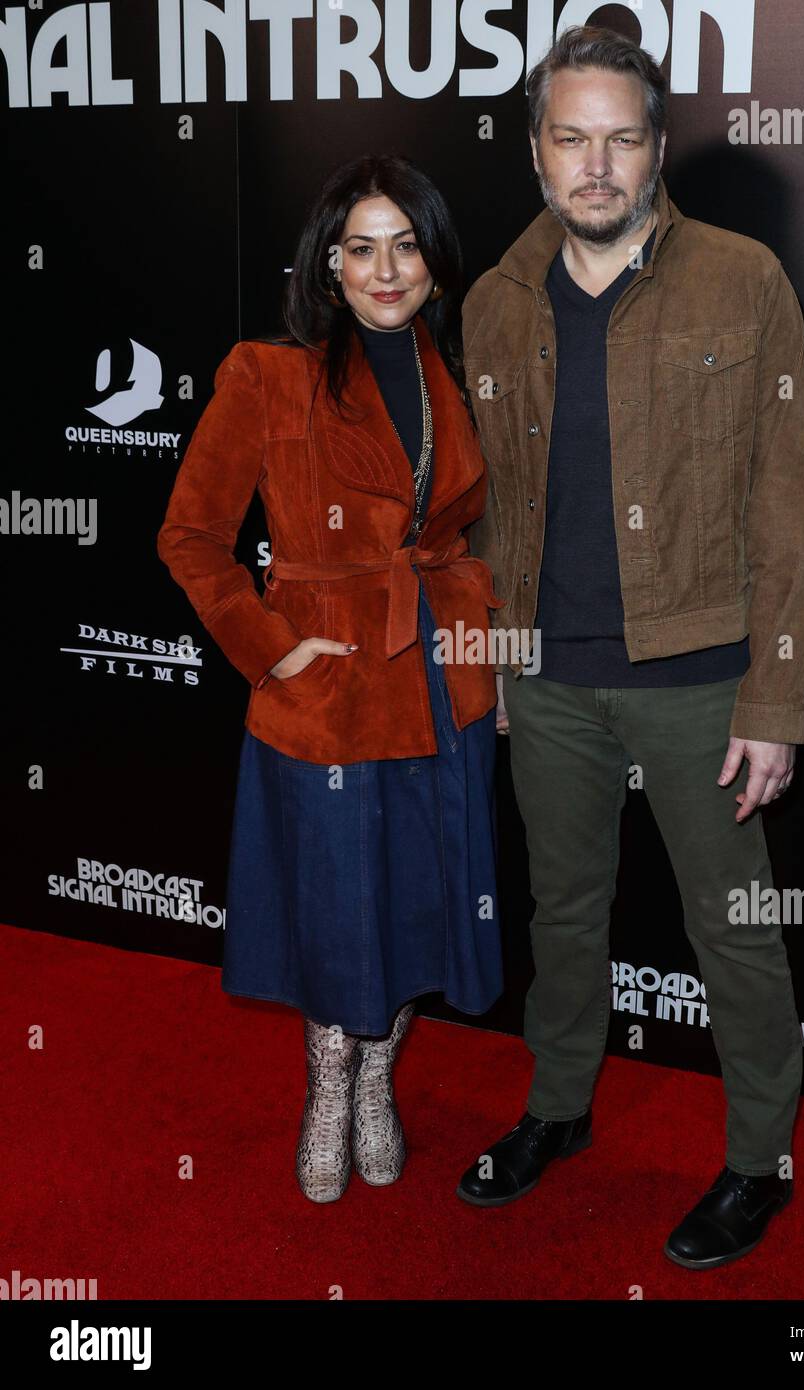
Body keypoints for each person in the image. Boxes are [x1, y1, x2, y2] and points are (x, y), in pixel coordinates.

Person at [457, 25, 804, 1270]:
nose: (597, 165)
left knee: (737, 927)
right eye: (573, 138)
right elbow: (496, 503)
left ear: (657, 148)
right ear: (537, 152)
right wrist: (502, 658)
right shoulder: (496, 301)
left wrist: (774, 696)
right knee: (564, 915)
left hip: (701, 677)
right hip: (549, 679)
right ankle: (557, 1110)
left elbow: (787, 503)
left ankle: (758, 1161)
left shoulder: (742, 279)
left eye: (622, 138)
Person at [157, 155, 505, 1204]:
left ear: (436, 264)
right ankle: (330, 1080)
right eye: (361, 246)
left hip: (444, 686)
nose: (385, 268)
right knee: (339, 904)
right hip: (333, 695)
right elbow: (190, 538)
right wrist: (271, 646)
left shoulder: (464, 373)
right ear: (328, 264)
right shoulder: (268, 375)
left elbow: (469, 530)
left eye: (406, 244)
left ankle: (381, 1077)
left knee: (415, 903)